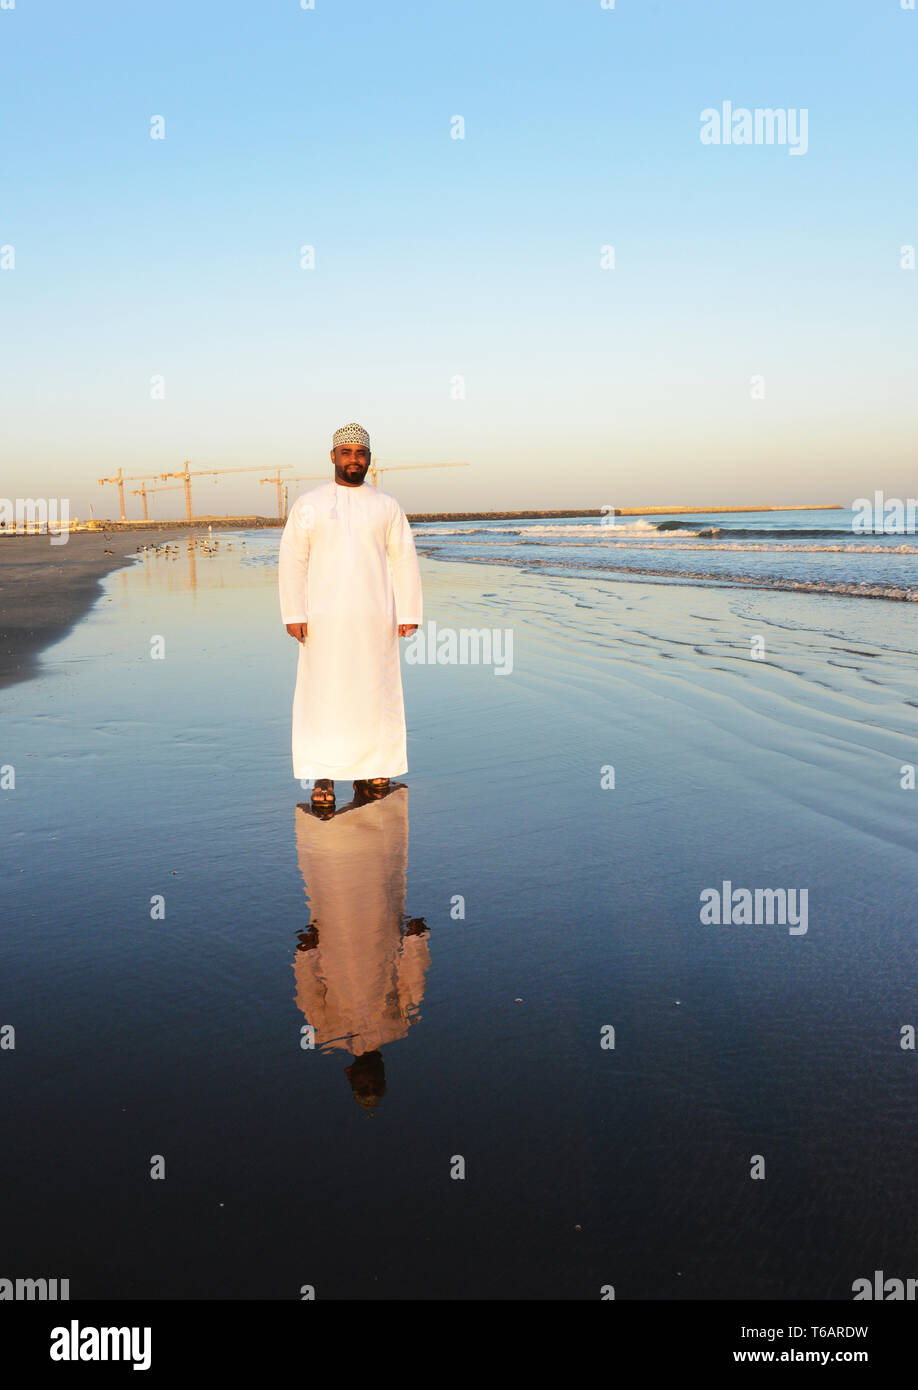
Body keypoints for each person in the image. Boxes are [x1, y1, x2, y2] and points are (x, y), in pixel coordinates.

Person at [278, 423, 423, 809]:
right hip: (322, 620)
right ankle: (322, 776)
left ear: (370, 459)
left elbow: (403, 560)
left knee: (376, 693)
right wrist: (293, 611)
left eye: (361, 453)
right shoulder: (309, 504)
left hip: (376, 617)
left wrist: (408, 611)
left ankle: (376, 766)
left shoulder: (387, 506)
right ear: (333, 457)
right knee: (322, 694)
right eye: (347, 452)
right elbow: (293, 560)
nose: (354, 459)